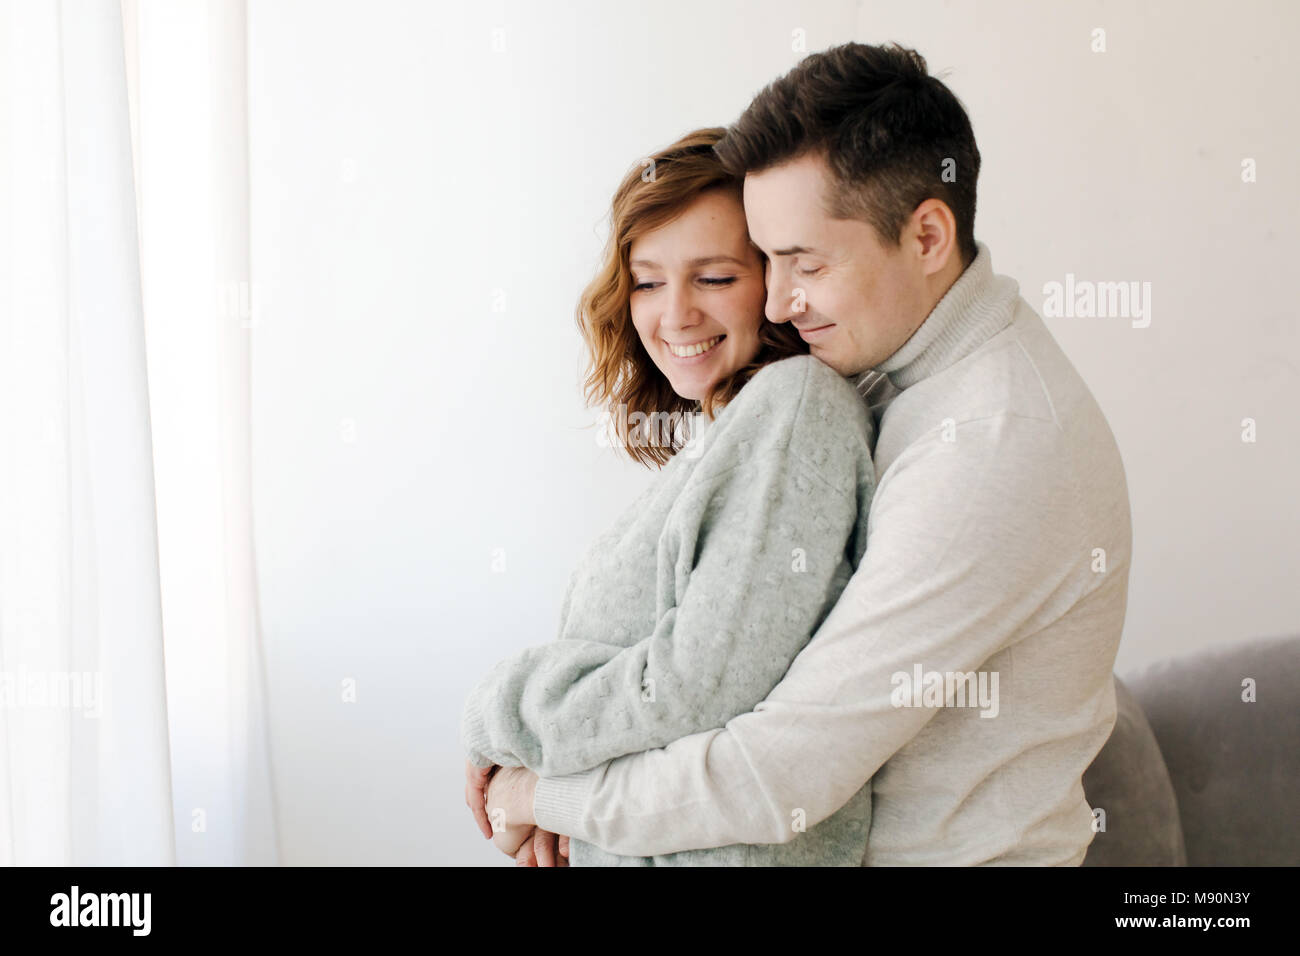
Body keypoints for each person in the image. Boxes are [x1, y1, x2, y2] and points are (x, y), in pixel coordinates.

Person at [476, 41, 1133, 867]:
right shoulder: (883, 372)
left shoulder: (993, 445)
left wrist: (544, 794)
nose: (778, 299)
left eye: (804, 262)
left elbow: (781, 768)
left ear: (928, 234)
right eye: (766, 259)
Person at [460, 127, 878, 865]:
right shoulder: (728, 436)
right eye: (648, 280)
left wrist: (501, 717)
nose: (675, 314)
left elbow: (697, 686)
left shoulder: (796, 407)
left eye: (715, 278)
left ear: (776, 284)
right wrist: (552, 782)